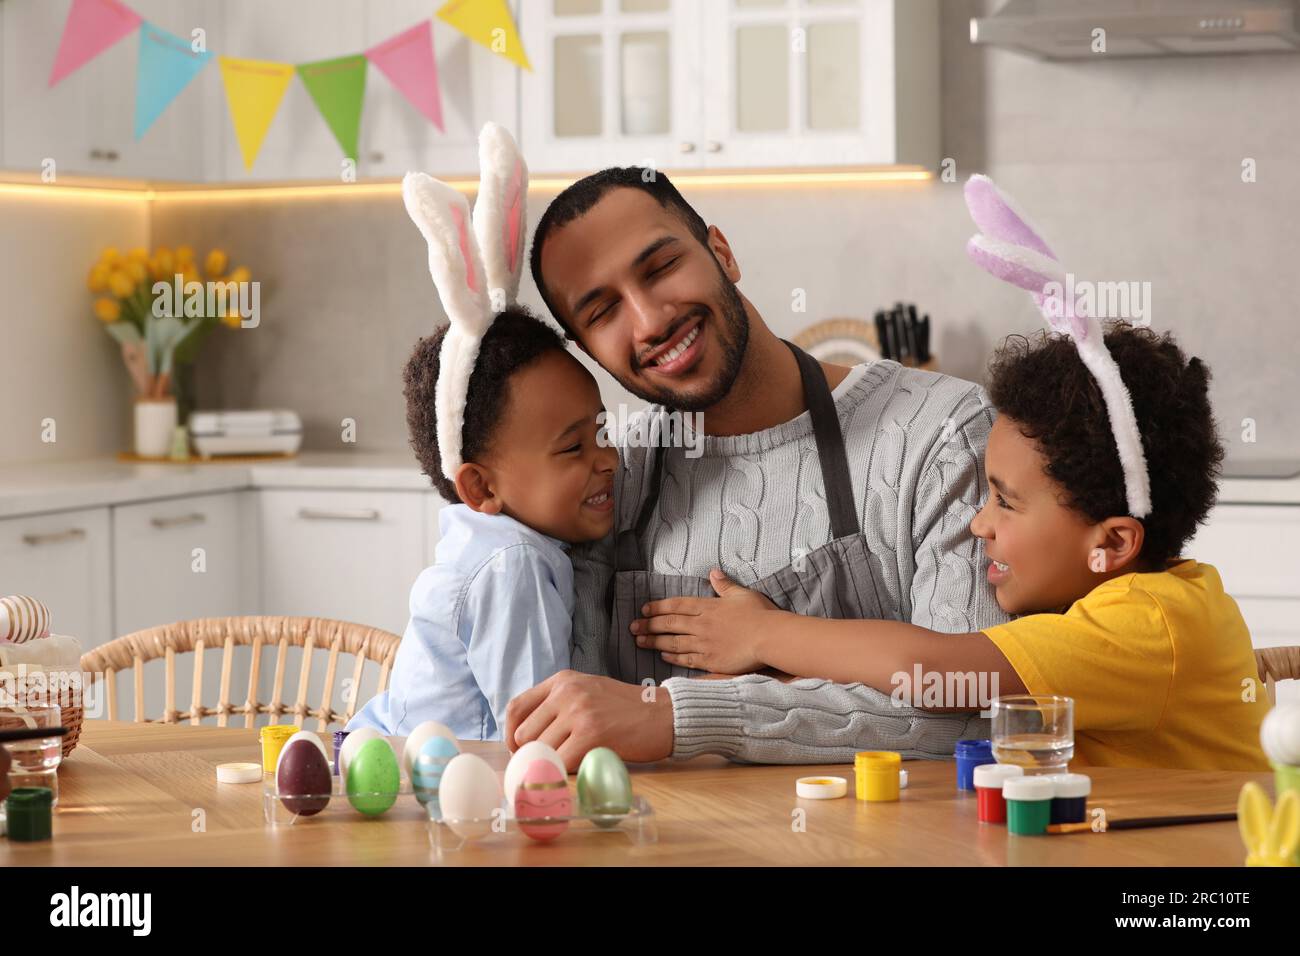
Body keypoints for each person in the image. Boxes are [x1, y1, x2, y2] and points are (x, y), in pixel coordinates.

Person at [505, 166, 1012, 768]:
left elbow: (976, 712)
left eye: (661, 267)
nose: (650, 321)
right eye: (601, 311)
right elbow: (576, 718)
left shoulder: (936, 432)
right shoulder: (607, 484)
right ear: (587, 349)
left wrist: (677, 716)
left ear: (721, 251)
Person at [348, 125, 617, 740]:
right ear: (480, 486)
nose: (605, 461)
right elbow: (535, 735)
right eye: (573, 447)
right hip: (417, 783)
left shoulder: (495, 537)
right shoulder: (513, 563)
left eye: (601, 433)